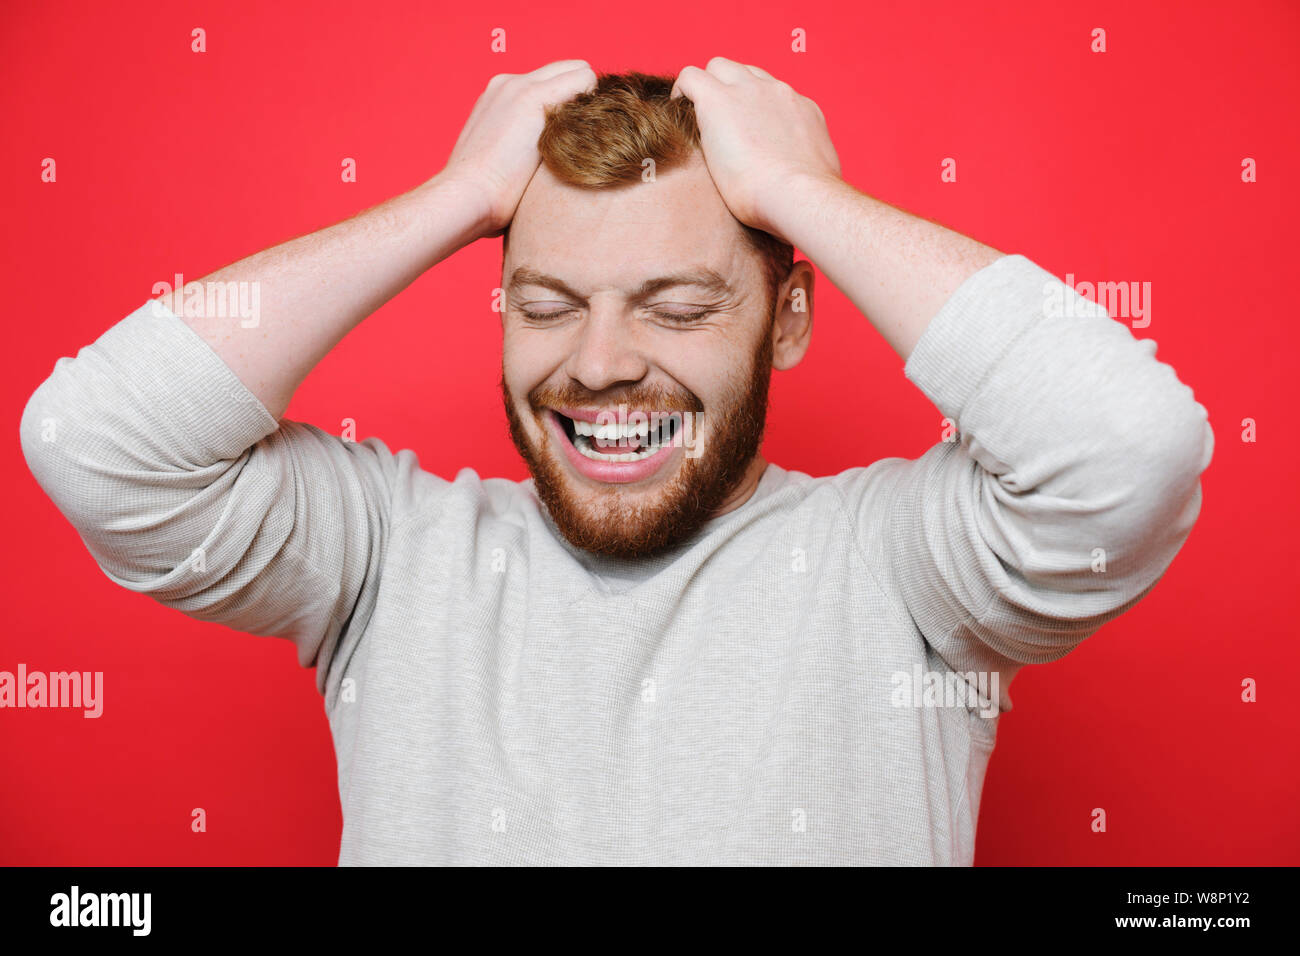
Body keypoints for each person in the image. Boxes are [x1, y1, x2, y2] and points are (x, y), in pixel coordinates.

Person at [19, 57, 1213, 865]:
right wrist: (456, 196)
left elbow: (1131, 451)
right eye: (546, 305)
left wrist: (799, 191)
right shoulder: (387, 553)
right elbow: (94, 444)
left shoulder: (903, 567)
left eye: (677, 307)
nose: (598, 364)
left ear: (787, 319)